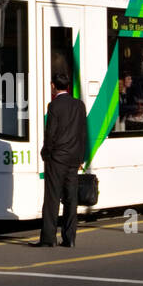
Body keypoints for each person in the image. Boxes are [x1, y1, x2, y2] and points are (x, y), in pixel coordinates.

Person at [38, 71, 88, 247]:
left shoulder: (53, 106)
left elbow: (50, 133)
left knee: (52, 198)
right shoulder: (79, 105)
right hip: (74, 158)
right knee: (71, 199)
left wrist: (46, 152)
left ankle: (48, 238)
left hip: (57, 157)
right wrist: (82, 156)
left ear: (53, 86)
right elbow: (83, 133)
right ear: (67, 86)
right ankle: (70, 238)